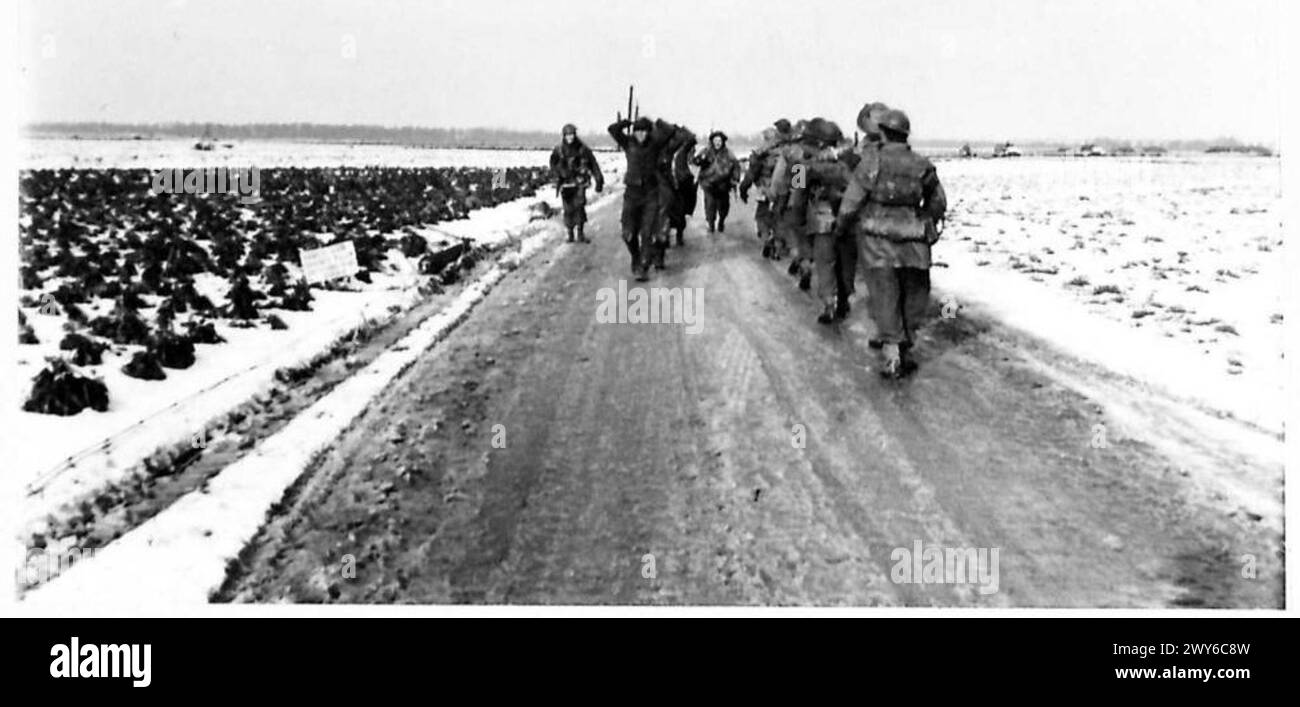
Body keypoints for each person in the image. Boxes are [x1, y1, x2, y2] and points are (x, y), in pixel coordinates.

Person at [835, 108, 947, 378]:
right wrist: (921, 219)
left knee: (885, 294)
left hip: (877, 239)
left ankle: (892, 350)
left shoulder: (870, 162)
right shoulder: (922, 164)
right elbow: (938, 203)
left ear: (882, 132)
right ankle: (905, 343)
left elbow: (851, 202)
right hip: (914, 238)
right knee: (914, 292)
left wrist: (842, 228)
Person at [772, 117, 851, 323]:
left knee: (825, 263)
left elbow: (798, 198)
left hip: (822, 221)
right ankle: (843, 299)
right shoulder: (850, 160)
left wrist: (798, 222)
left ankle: (828, 304)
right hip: (850, 220)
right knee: (846, 264)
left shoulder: (802, 166)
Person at [608, 115, 693, 280]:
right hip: (632, 194)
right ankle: (636, 256)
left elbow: (669, 131)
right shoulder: (628, 143)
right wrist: (626, 123)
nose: (641, 135)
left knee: (647, 233)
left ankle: (644, 266)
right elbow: (612, 130)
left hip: (650, 193)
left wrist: (658, 122)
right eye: (638, 131)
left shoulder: (655, 145)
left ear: (649, 132)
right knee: (628, 233)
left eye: (644, 131)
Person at [549, 123, 604, 243]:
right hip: (565, 183)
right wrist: (557, 176)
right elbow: (552, 165)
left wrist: (599, 179)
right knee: (568, 209)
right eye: (568, 135)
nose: (570, 138)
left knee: (579, 206)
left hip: (580, 182)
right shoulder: (558, 150)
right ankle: (570, 233)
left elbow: (593, 164)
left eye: (572, 135)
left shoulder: (583, 149)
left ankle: (580, 233)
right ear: (564, 136)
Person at [738, 126, 783, 256]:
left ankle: (766, 238)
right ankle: (778, 245)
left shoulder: (760, 153)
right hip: (783, 191)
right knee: (780, 217)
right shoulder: (790, 152)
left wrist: (743, 189)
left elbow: (751, 174)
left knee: (761, 216)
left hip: (764, 188)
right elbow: (799, 176)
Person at [657, 120, 698, 250]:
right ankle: (665, 235)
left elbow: (692, 138)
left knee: (681, 211)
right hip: (667, 183)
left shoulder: (683, 148)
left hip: (682, 181)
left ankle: (680, 233)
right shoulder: (663, 149)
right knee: (666, 211)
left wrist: (681, 129)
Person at [692, 131, 741, 233]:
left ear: (723, 141)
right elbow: (695, 161)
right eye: (715, 140)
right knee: (710, 205)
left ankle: (721, 221)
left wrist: (735, 179)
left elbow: (736, 166)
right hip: (708, 184)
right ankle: (711, 224)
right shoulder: (706, 151)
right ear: (712, 141)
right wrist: (700, 159)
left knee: (723, 207)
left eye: (719, 140)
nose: (717, 143)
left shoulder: (728, 153)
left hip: (723, 185)